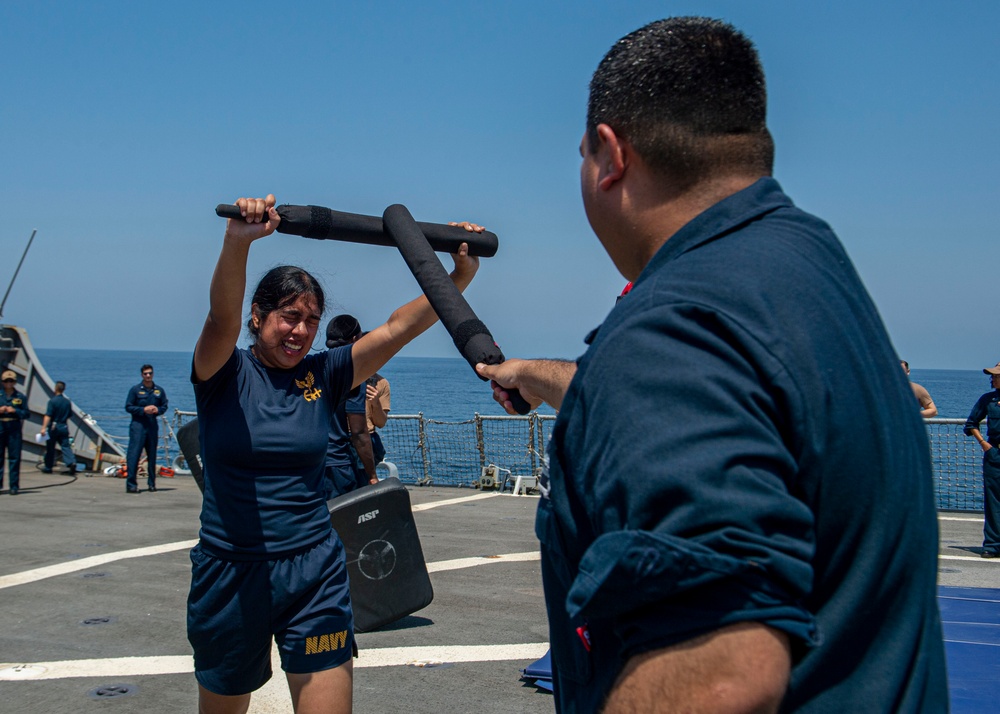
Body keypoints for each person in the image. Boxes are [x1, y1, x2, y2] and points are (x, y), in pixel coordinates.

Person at [477, 17, 947, 712]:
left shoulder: (671, 329)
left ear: (610, 155)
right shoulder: (810, 269)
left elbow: (723, 674)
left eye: (581, 153)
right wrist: (537, 375)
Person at [187, 193, 479, 714]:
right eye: (288, 316)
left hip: (313, 571)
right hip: (231, 571)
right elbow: (217, 318)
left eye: (311, 320)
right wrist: (238, 243)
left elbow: (395, 329)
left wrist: (454, 279)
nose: (300, 330)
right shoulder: (222, 373)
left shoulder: (323, 373)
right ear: (258, 317)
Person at [324, 315, 378, 496]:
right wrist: (371, 474)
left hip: (309, 463)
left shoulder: (313, 367)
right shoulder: (352, 375)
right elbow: (359, 432)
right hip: (338, 464)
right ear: (355, 339)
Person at [963, 362, 1000, 558]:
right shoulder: (988, 399)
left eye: (996, 376)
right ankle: (993, 545)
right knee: (993, 502)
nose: (992, 379)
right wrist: (983, 443)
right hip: (995, 455)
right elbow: (971, 423)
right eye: (992, 376)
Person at [124, 364, 168, 493]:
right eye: (145, 374)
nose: (148, 376)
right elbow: (128, 407)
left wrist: (157, 410)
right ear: (142, 375)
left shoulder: (159, 391)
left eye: (150, 373)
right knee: (134, 455)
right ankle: (131, 484)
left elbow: (164, 406)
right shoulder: (135, 390)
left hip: (152, 425)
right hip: (138, 425)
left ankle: (152, 483)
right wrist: (143, 409)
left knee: (152, 455)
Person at [0, 369, 28, 495]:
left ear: (15, 382)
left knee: (14, 458)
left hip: (14, 428)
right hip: (1, 426)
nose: (9, 383)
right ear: (3, 382)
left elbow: (26, 414)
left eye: (11, 381)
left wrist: (15, 411)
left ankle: (14, 485)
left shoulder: (20, 397)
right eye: (6, 381)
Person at [39, 380, 76, 474]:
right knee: (65, 445)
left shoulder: (52, 401)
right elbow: (69, 415)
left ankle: (48, 467)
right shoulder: (67, 402)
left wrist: (43, 427)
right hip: (64, 426)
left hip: (54, 426)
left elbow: (48, 415)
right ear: (64, 389)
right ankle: (71, 462)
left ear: (55, 389)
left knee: (50, 447)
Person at [365, 366, 391, 467]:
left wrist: (375, 403)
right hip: (341, 436)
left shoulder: (382, 383)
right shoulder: (344, 378)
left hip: (368, 437)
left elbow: (381, 423)